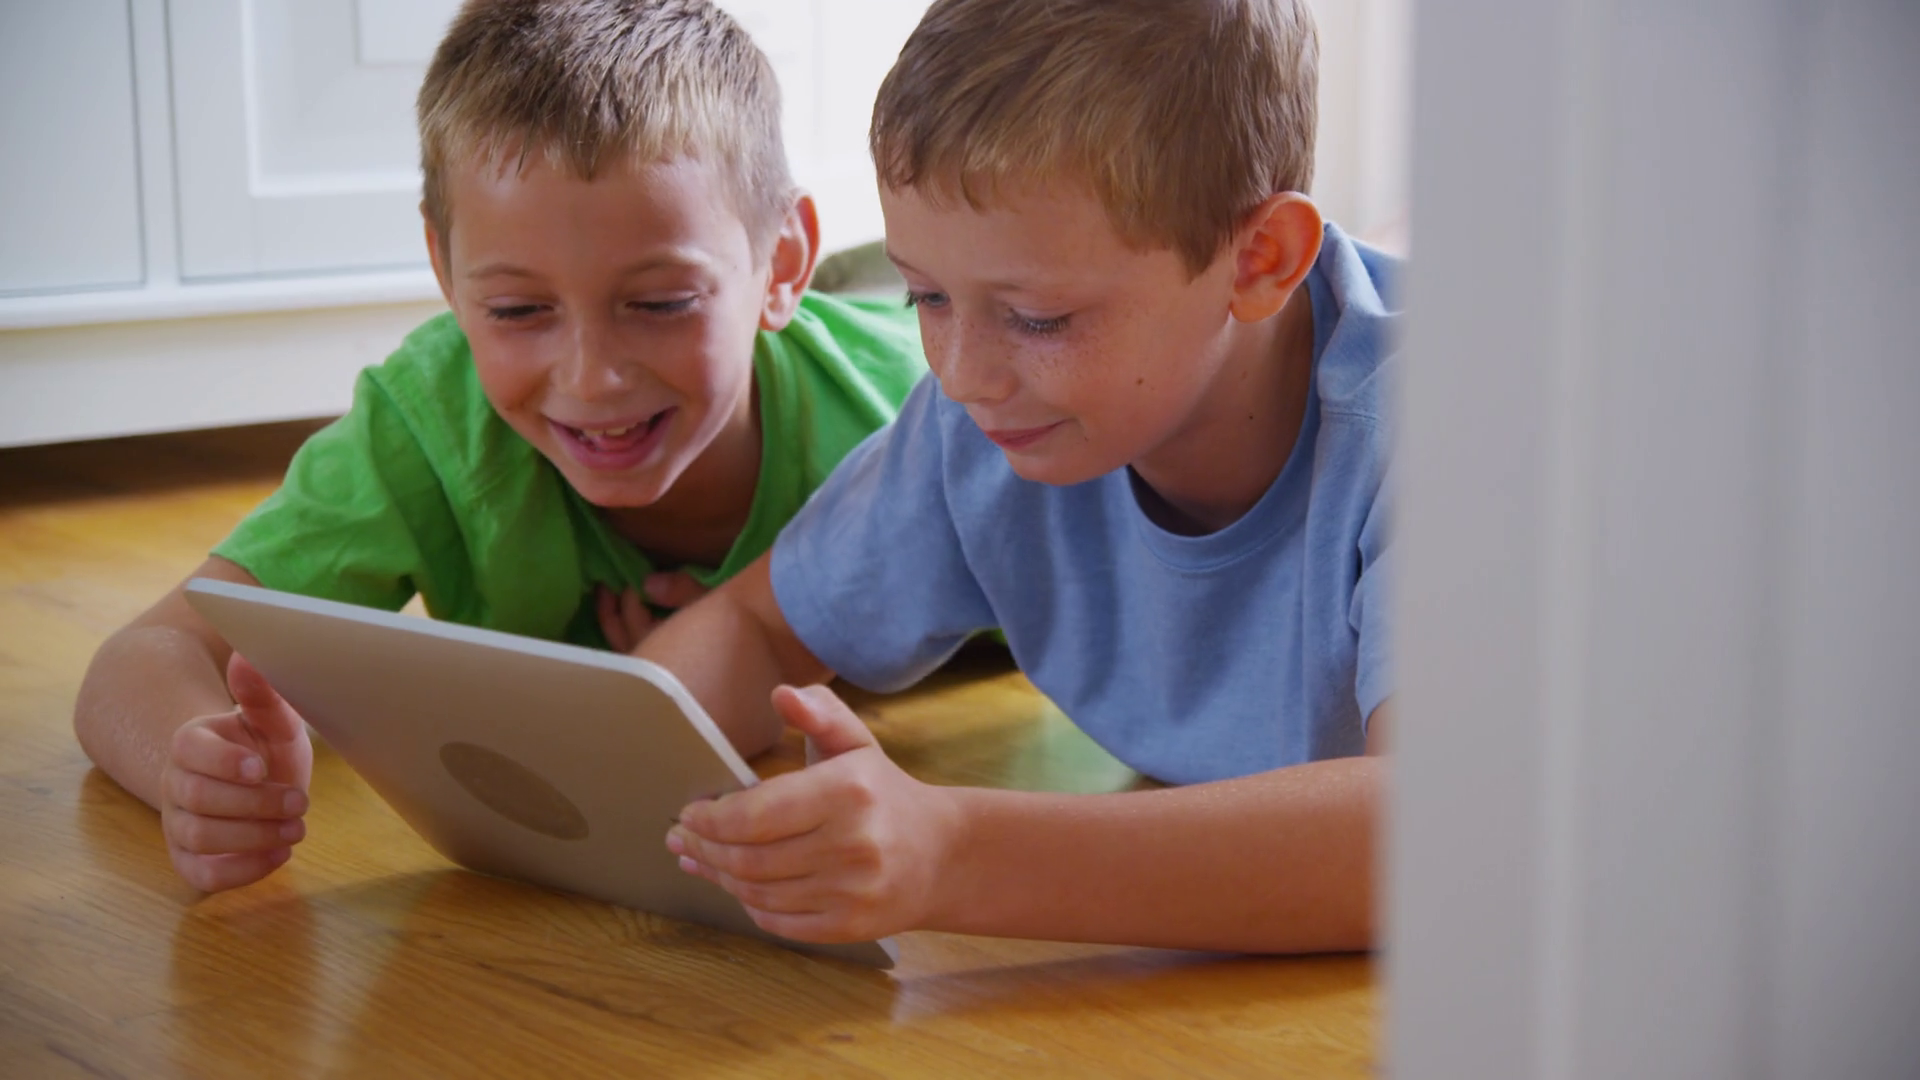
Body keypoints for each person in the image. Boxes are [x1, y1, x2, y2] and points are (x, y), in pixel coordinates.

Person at [71, 0, 925, 895]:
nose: (592, 379)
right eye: (519, 310)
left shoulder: (930, 413)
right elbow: (141, 659)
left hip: (874, 310)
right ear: (444, 271)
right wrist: (195, 766)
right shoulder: (432, 423)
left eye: (662, 302)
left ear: (780, 263)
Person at [637, 0, 1397, 953]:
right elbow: (757, 627)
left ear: (1259, 260)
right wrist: (596, 767)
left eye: (1038, 319)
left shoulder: (1441, 438)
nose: (960, 374)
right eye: (928, 296)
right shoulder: (989, 420)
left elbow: (1433, 841)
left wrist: (953, 851)